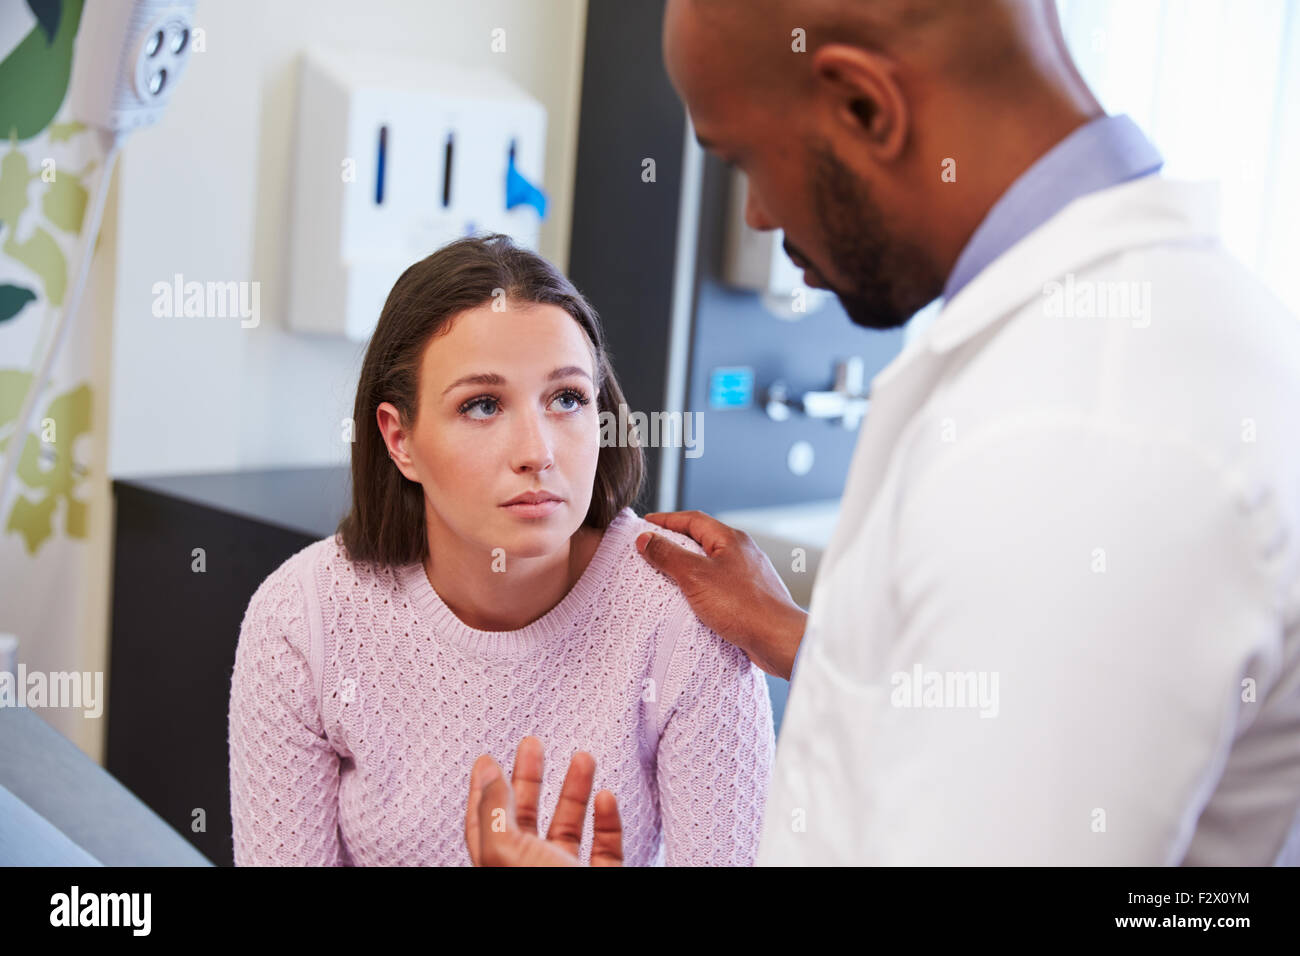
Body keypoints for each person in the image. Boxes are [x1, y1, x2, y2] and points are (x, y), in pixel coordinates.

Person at [466, 0, 1300, 865]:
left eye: (745, 158)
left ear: (866, 107)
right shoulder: (1131, 348)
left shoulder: (1080, 435)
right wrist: (808, 644)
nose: (753, 216)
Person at [229, 234, 774, 866]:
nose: (537, 451)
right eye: (482, 405)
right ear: (399, 438)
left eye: (567, 399)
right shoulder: (303, 621)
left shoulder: (685, 616)